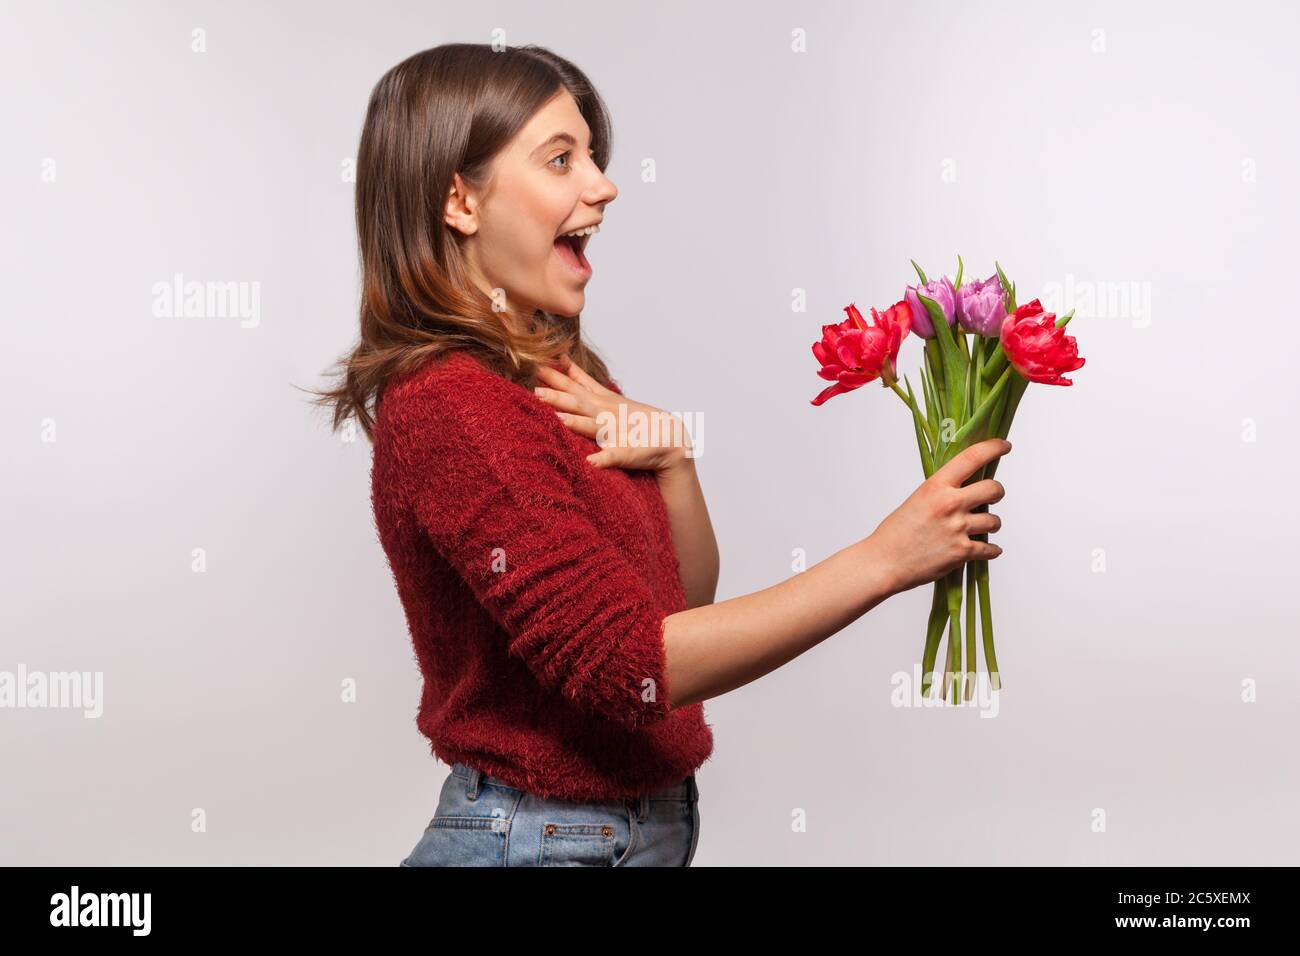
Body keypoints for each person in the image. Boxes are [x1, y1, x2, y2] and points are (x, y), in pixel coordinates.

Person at [312, 43, 1009, 867]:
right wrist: (883, 560)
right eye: (561, 159)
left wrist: (674, 464)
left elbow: (677, 612)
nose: (602, 185)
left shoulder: (558, 380)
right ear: (460, 200)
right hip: (535, 842)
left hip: (632, 832)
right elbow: (629, 666)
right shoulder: (451, 409)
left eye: (594, 158)